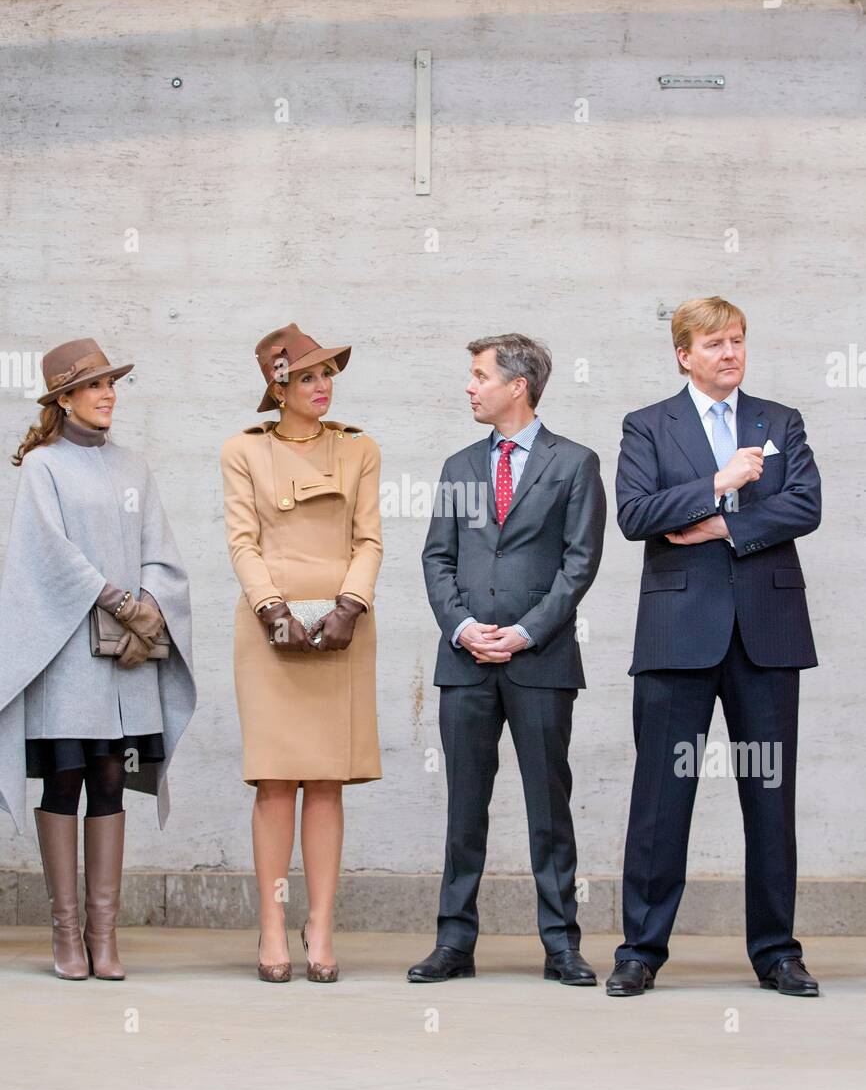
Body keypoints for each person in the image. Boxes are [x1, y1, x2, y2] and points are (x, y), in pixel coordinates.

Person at [607, 297, 821, 997]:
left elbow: (806, 505)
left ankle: (777, 952)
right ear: (684, 354)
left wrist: (722, 527)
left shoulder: (779, 421)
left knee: (770, 797)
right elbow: (636, 513)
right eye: (715, 343)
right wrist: (719, 485)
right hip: (679, 636)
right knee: (662, 798)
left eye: (738, 341)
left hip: (767, 634)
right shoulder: (647, 426)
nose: (731, 353)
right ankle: (640, 950)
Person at [408, 333, 606, 984]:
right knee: (464, 806)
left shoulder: (575, 464)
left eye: (479, 375)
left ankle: (561, 944)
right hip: (465, 662)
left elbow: (579, 565)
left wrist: (523, 632)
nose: (470, 386)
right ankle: (454, 942)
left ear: (517, 385)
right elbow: (438, 557)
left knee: (549, 808)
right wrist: (464, 627)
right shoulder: (460, 466)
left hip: (540, 661)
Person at [0, 337, 196, 979]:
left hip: (126, 659)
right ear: (63, 397)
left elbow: (159, 550)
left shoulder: (134, 467)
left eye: (112, 383)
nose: (108, 394)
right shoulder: (44, 468)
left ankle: (103, 935)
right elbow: (44, 555)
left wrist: (150, 608)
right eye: (93, 386)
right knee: (64, 779)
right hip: (66, 659)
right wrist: (118, 601)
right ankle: (65, 935)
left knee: (112, 778)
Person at [220, 322, 383, 984]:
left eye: (327, 374)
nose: (323, 386)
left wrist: (350, 605)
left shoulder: (359, 448)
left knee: (326, 780)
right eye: (308, 376)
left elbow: (370, 538)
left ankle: (319, 924)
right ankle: (271, 925)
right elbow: (242, 540)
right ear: (277, 387)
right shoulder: (242, 450)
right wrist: (270, 609)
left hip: (344, 622)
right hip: (270, 626)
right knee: (274, 780)